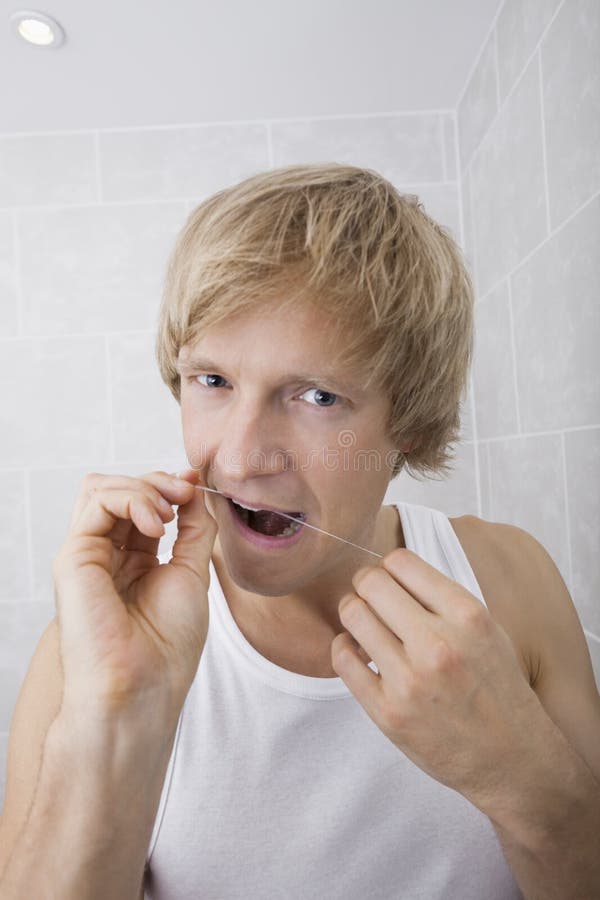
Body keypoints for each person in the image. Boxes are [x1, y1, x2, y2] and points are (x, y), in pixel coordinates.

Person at [0, 164, 599, 900]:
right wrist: (114, 720)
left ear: (407, 421)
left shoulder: (509, 583)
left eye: (317, 396)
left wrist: (527, 785)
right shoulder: (95, 647)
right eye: (212, 381)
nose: (244, 457)